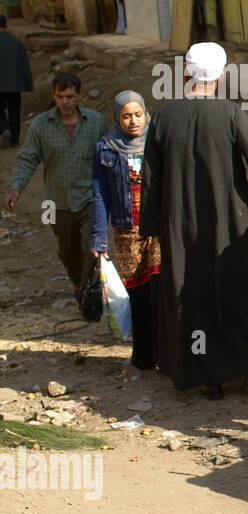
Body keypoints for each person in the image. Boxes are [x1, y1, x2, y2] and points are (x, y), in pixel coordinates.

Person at [140, 42, 248, 400]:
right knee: (245, 292)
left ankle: (206, 377)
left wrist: (151, 228)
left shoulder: (163, 117)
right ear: (222, 76)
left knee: (193, 297)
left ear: (185, 74)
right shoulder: (230, 113)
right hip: (233, 223)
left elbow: (150, 177)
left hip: (179, 227)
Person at [5, 73, 107, 302]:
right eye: (60, 96)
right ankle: (77, 281)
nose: (65, 102)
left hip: (89, 197)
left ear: (79, 96)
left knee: (91, 245)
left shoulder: (96, 121)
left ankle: (89, 293)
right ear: (54, 95)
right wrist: (16, 188)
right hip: (57, 201)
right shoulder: (42, 124)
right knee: (67, 250)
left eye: (70, 96)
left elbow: (108, 157)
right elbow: (28, 158)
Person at [90, 91, 161, 370]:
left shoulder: (159, 143)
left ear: (146, 114)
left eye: (138, 114)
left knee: (161, 291)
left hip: (158, 231)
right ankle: (144, 356)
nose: (133, 121)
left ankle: (169, 354)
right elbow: (99, 196)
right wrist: (98, 238)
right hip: (125, 234)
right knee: (138, 294)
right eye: (126, 116)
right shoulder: (105, 150)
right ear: (117, 118)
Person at [0, 14, 33, 146]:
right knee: (15, 110)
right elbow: (25, 64)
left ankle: (3, 127)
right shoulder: (17, 43)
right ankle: (14, 140)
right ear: (6, 25)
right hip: (15, 84)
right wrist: (28, 84)